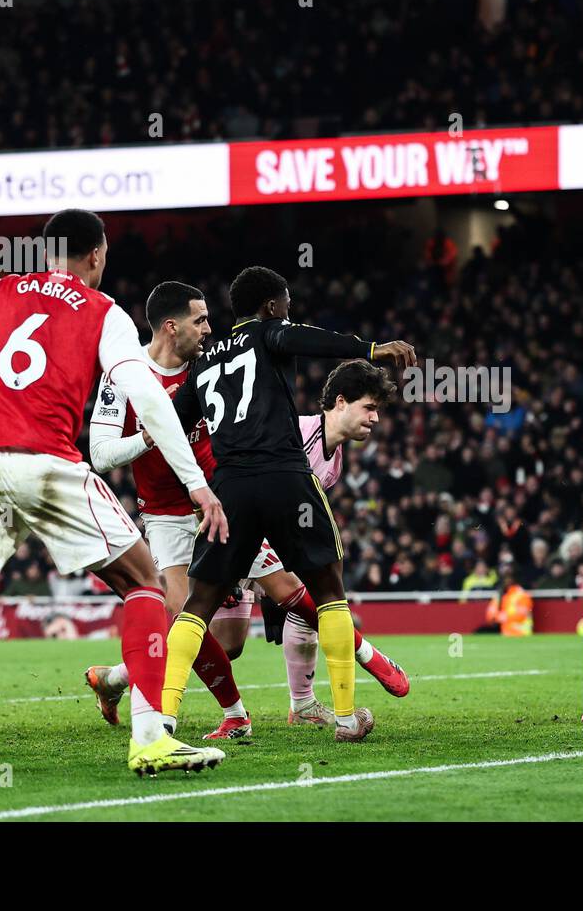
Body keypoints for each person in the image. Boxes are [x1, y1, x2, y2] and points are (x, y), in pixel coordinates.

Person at [0, 209, 228, 786]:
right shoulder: (104, 311)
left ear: (47, 254)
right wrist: (196, 483)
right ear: (96, 255)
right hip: (46, 461)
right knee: (144, 582)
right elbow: (148, 395)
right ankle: (149, 737)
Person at [160, 265, 416, 743]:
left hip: (230, 487)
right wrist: (371, 349)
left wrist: (195, 485)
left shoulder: (204, 360)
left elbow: (173, 424)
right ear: (272, 306)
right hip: (284, 475)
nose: (288, 314)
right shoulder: (269, 332)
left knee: (199, 603)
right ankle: (346, 718)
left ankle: (165, 720)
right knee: (329, 592)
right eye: (286, 307)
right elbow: (309, 340)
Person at [81, 280, 254, 739]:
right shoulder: (124, 373)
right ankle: (236, 714)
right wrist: (150, 436)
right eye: (201, 320)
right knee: (180, 614)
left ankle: (114, 678)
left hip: (220, 503)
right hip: (163, 513)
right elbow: (101, 454)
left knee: (230, 643)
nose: (209, 329)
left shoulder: (212, 366)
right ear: (172, 327)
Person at [208, 359, 411, 731]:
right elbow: (252, 489)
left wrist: (273, 576)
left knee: (227, 646)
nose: (375, 418)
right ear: (340, 402)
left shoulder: (333, 465)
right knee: (310, 600)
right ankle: (363, 657)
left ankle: (117, 677)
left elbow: (294, 523)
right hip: (224, 523)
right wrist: (268, 576)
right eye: (369, 407)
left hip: (258, 542)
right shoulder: (293, 432)